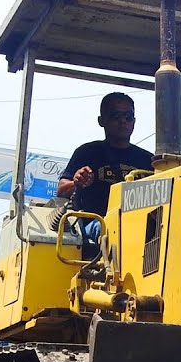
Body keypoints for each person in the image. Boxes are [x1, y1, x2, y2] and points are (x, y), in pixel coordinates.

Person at [59, 93, 154, 255]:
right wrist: (76, 182)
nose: (123, 121)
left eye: (128, 117)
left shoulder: (148, 160)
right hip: (97, 223)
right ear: (101, 121)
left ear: (134, 122)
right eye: (115, 116)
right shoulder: (87, 152)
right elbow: (61, 190)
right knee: (113, 232)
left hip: (140, 224)